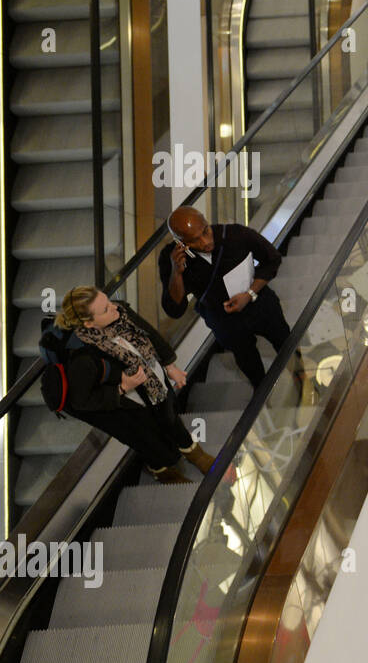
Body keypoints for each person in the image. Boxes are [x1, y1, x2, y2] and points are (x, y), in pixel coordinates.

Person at [44, 287, 213, 483]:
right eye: (106, 309)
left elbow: (150, 334)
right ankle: (162, 470)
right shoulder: (83, 358)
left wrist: (169, 365)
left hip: (154, 386)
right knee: (149, 441)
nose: (114, 307)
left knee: (170, 418)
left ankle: (194, 453)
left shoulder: (120, 313)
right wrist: (122, 387)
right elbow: (82, 401)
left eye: (108, 301)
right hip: (126, 407)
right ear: (89, 323)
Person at [159, 207, 291, 388]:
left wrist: (249, 293)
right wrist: (177, 272)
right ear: (180, 243)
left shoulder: (235, 234)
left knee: (286, 343)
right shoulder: (171, 258)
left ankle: (302, 378)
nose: (205, 242)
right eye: (194, 240)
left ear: (206, 222)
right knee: (248, 362)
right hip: (224, 321)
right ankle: (262, 396)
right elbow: (174, 309)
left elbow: (272, 259)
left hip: (261, 305)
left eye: (205, 231)